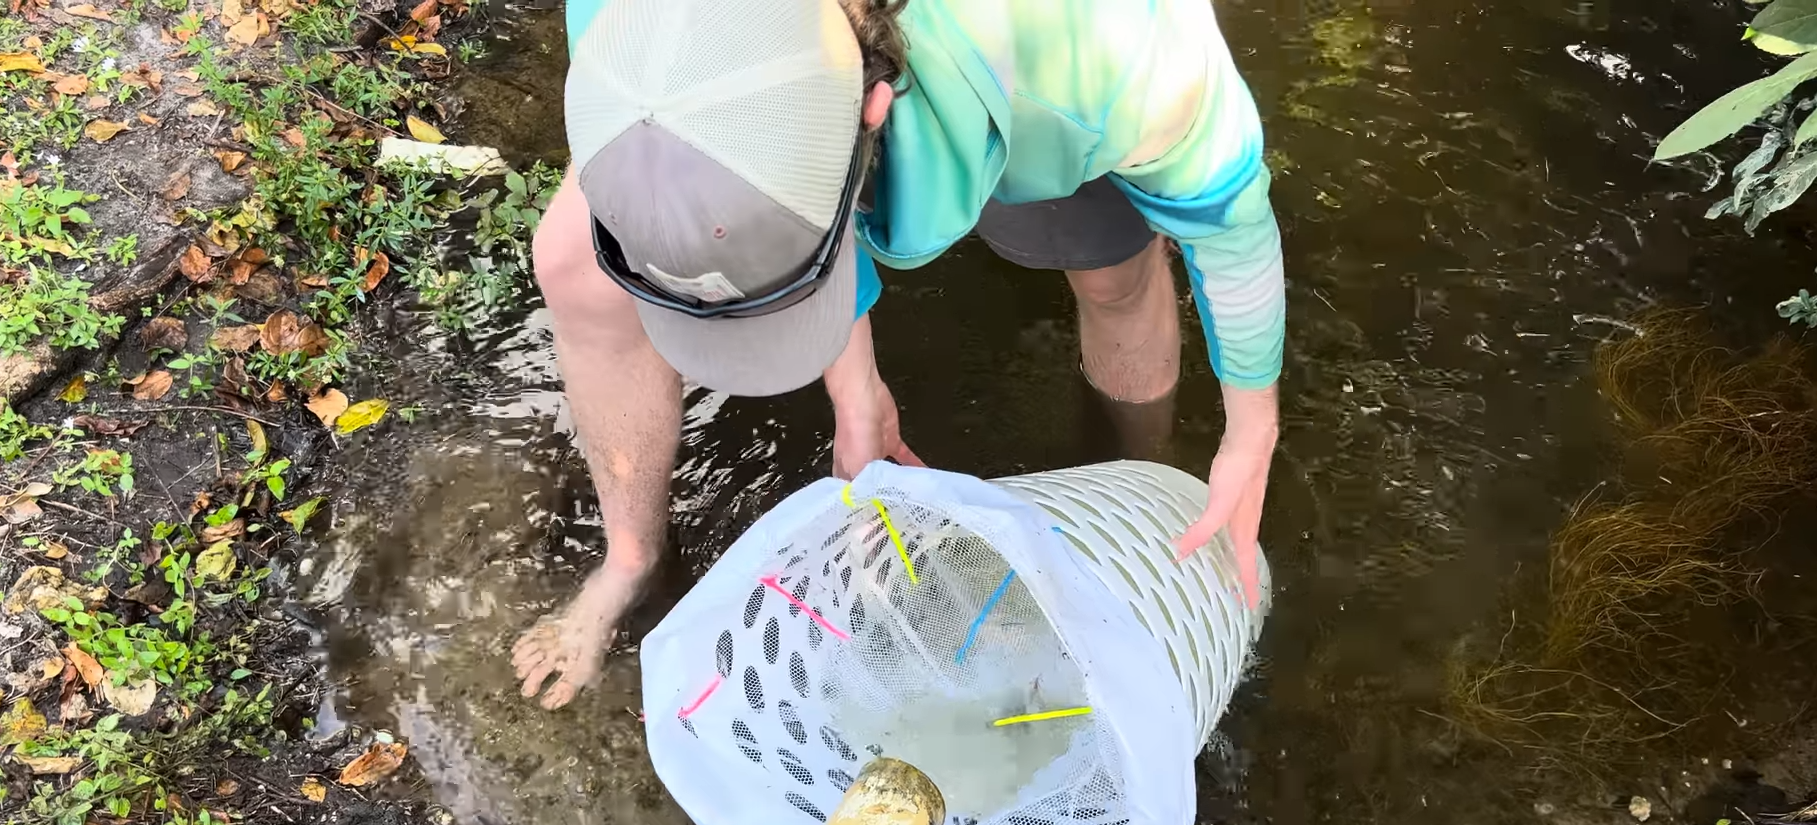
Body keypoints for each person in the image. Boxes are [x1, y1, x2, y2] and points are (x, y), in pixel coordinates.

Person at [515, 0, 1285, 707]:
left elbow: (1227, 218)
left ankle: (1137, 477)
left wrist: (1251, 429)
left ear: (875, 105)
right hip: (769, 94)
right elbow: (791, 217)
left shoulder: (1109, 53)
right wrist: (857, 396)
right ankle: (632, 557)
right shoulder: (631, 36)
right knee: (576, 262)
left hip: (1019, 69)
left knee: (1113, 277)